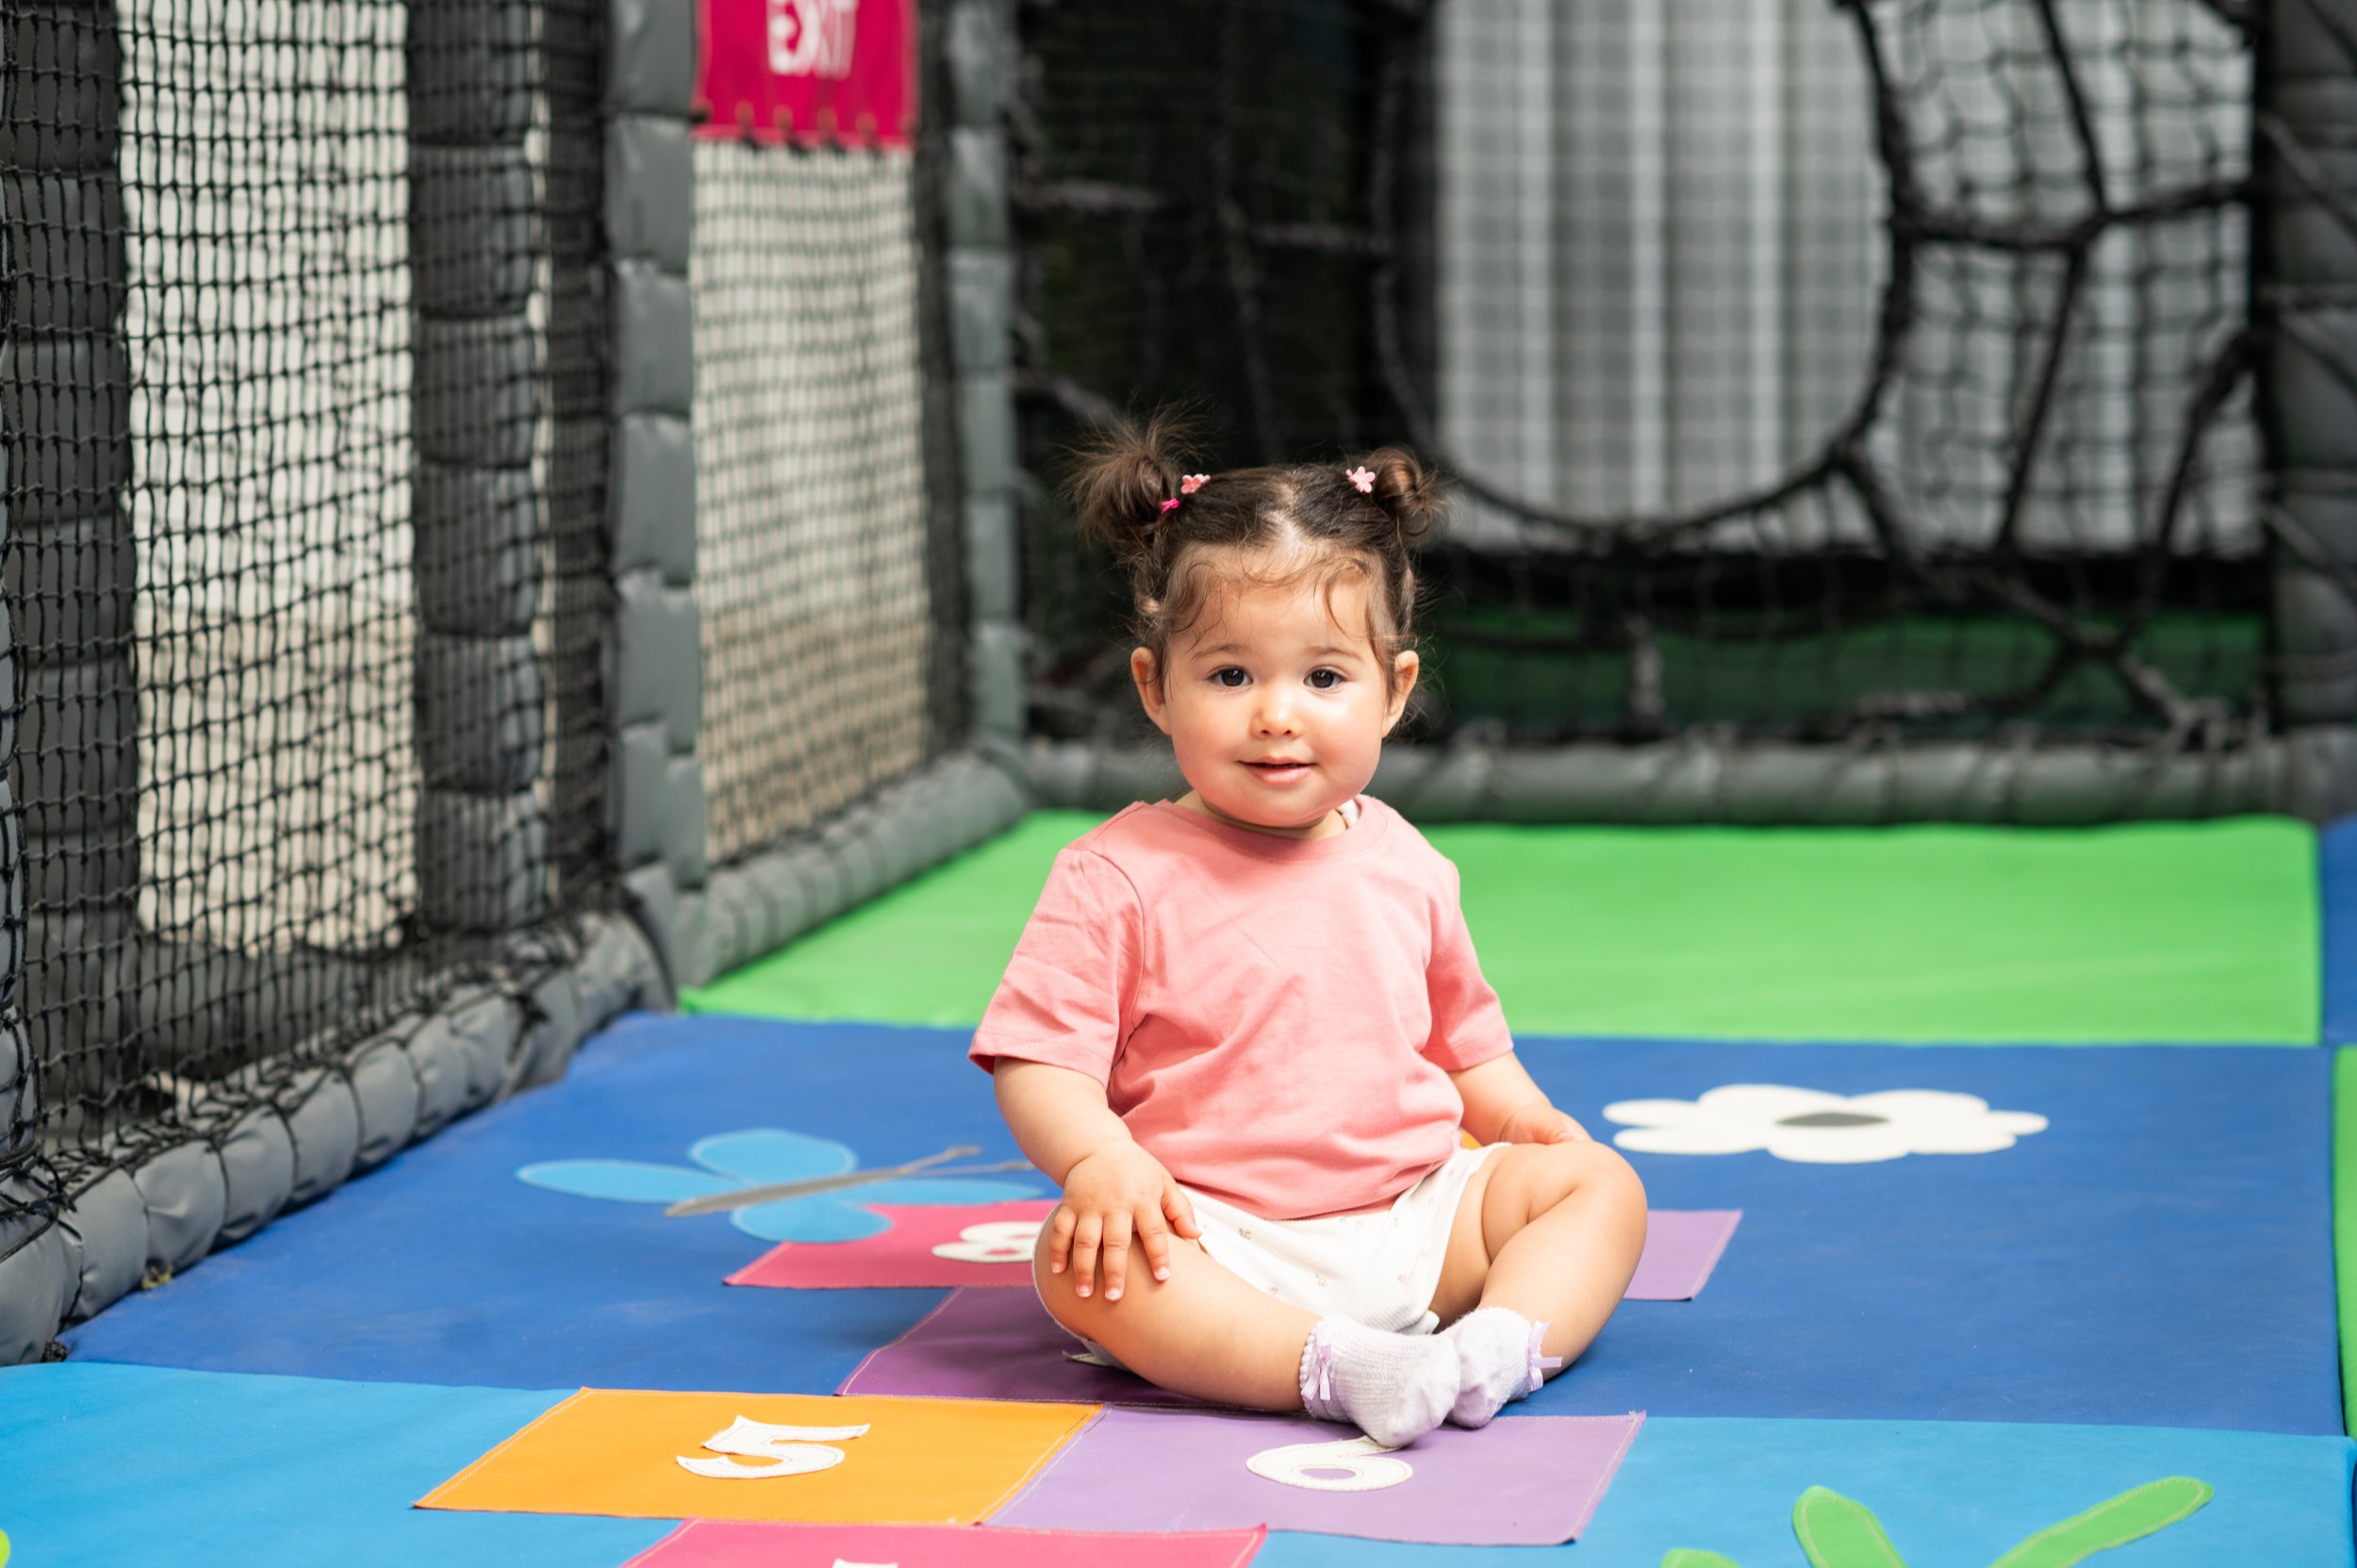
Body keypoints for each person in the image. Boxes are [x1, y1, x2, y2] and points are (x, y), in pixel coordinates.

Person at [970, 419, 1648, 1447]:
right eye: (1231, 676)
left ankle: (1500, 1346)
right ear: (1156, 687)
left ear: (1395, 691)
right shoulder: (1114, 875)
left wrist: (1523, 1120)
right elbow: (1038, 1062)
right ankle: (1334, 1367)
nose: (1278, 715)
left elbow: (1463, 1038)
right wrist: (1099, 1164)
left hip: (1417, 1214)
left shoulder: (1407, 860)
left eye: (1324, 679)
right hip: (1214, 1236)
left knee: (1600, 1187)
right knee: (1080, 1264)